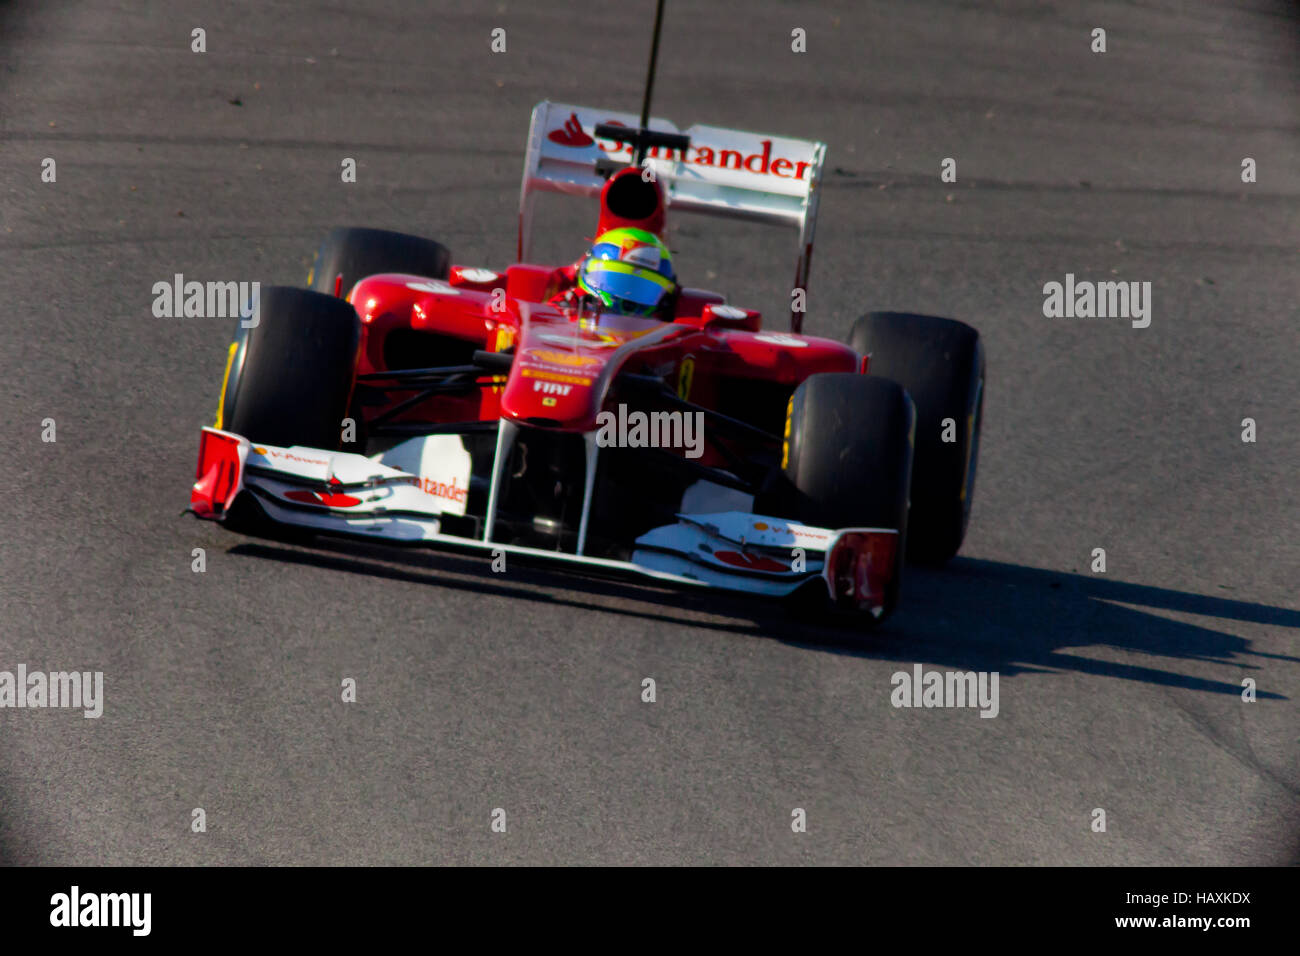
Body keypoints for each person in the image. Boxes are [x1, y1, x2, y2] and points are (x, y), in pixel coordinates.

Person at [552, 227, 678, 318]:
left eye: (640, 288)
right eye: (617, 281)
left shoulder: (665, 322)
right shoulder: (571, 304)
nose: (626, 298)